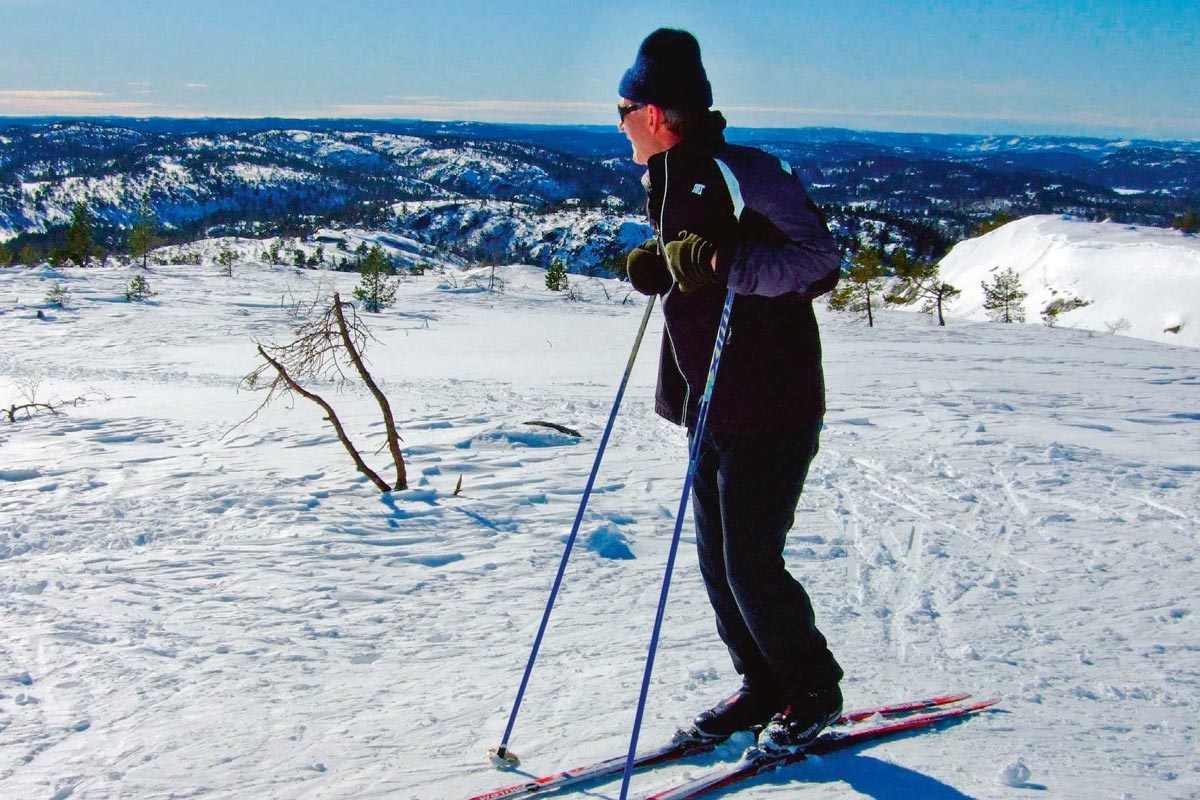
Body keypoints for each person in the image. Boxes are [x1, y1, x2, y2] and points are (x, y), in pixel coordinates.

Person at [617, 28, 844, 754]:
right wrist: (663, 261)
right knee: (718, 561)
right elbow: (702, 266)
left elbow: (818, 263)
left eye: (620, 107)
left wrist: (714, 259)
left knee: (751, 561)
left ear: (652, 113)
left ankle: (813, 689)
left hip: (770, 405)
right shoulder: (669, 174)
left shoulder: (745, 171)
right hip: (709, 403)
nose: (617, 121)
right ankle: (763, 683)